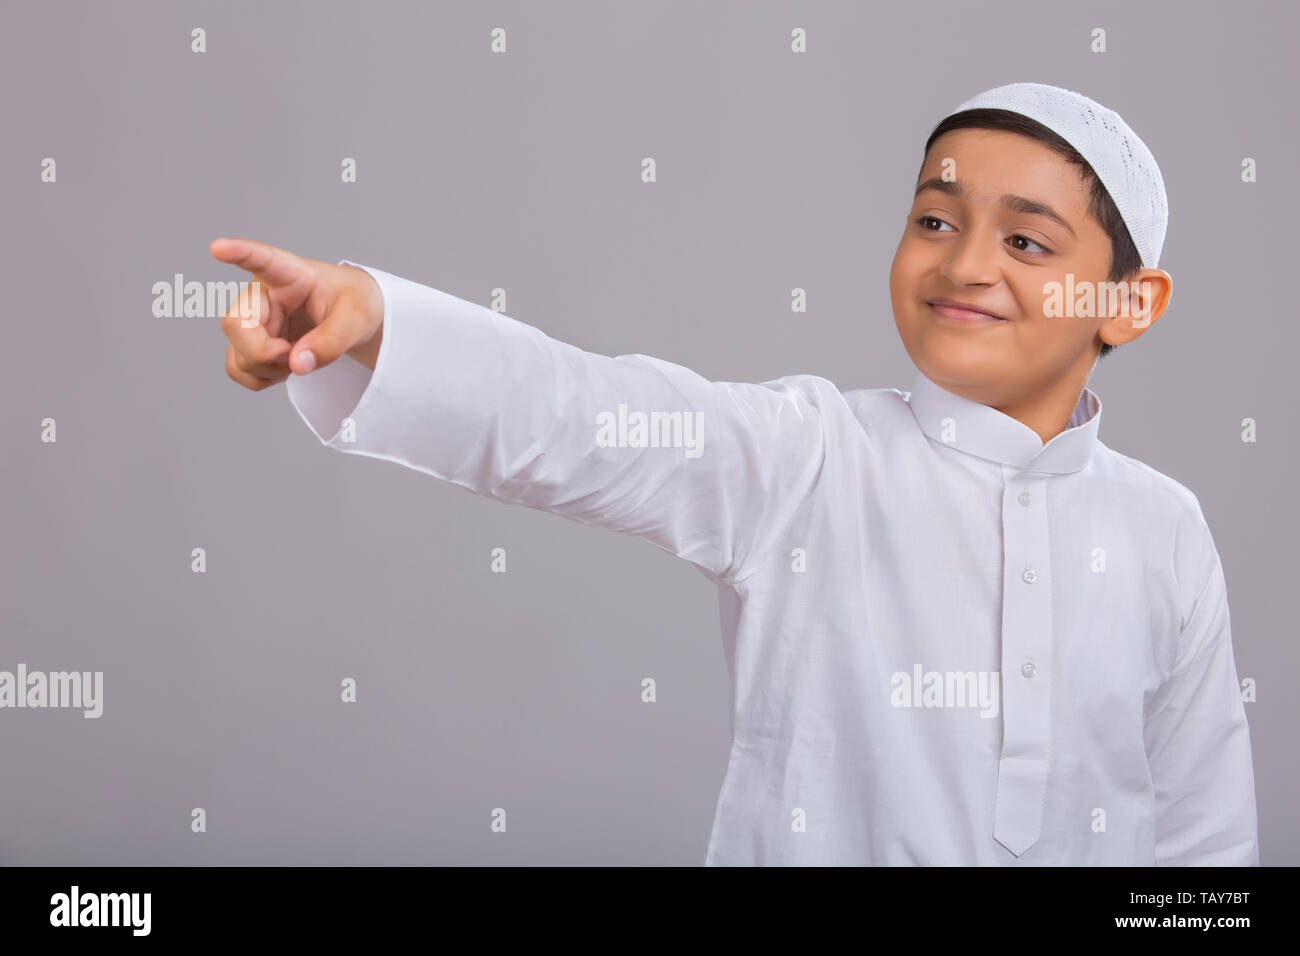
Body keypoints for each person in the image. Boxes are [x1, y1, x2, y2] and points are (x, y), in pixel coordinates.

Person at [213, 82, 1258, 866]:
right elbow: (578, 415)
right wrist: (376, 320)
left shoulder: (1163, 529)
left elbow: (1204, 833)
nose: (964, 263)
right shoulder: (809, 459)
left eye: (1026, 240)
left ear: (1129, 302)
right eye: (934, 219)